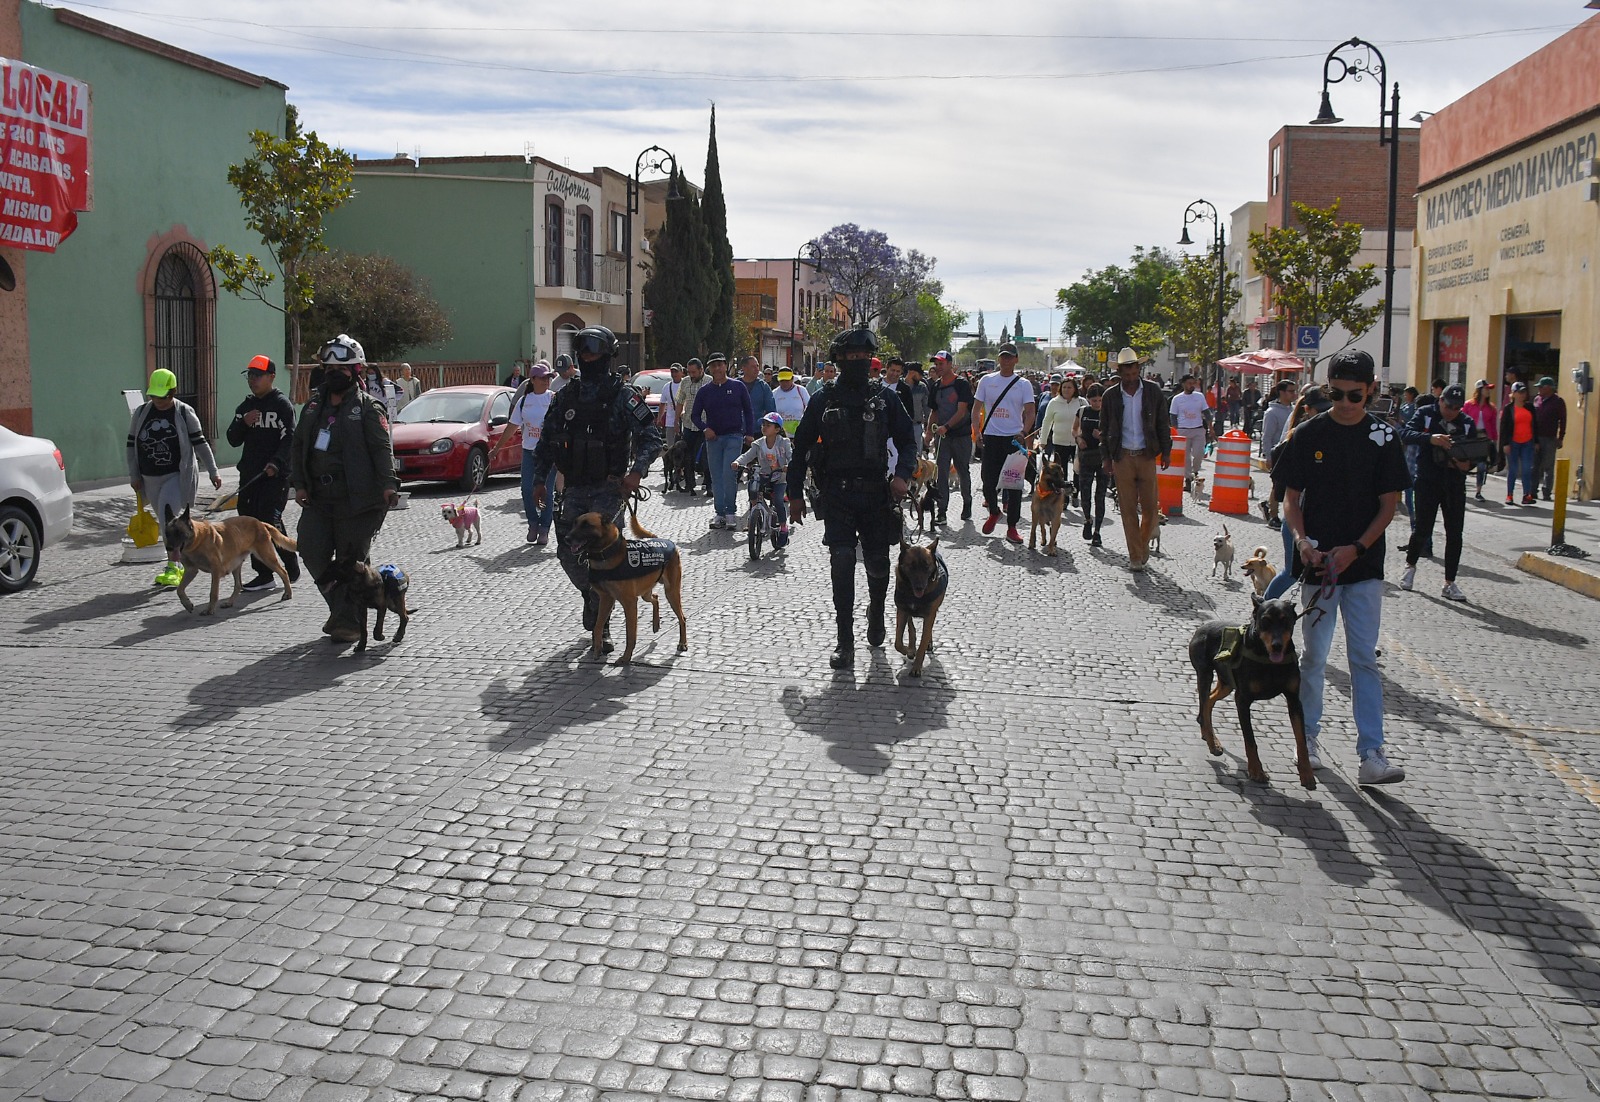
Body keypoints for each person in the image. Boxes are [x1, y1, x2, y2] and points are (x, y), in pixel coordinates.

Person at [1280, 349, 1409, 784]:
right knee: (1314, 656)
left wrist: (1356, 547)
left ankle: (1372, 752)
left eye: (1355, 395)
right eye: (1336, 393)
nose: (1346, 403)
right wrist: (1302, 542)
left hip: (1364, 566)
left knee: (1363, 659)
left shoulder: (1384, 438)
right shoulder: (1309, 434)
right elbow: (1291, 499)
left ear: (1370, 390)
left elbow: (1388, 506)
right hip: (1318, 567)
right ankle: (1308, 739)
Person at [528, 325, 663, 648]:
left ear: (608, 354)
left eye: (594, 349)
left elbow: (651, 438)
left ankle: (602, 627)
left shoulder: (623, 395)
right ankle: (593, 594)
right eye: (583, 349)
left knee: (604, 554)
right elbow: (547, 441)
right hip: (574, 487)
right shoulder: (566, 396)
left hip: (609, 488)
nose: (588, 355)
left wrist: (637, 472)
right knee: (568, 552)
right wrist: (538, 480)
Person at [788, 325, 915, 669]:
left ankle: (876, 612)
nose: (858, 361)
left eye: (864, 356)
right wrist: (793, 494)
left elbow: (908, 440)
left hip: (877, 493)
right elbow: (800, 449)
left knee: (877, 564)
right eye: (851, 357)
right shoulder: (823, 398)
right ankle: (845, 640)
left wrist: (903, 475)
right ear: (839, 360)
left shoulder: (885, 398)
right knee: (842, 562)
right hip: (838, 495)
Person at [289, 334, 401, 644]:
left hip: (359, 502)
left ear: (357, 371)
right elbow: (299, 446)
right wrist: (299, 484)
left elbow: (382, 450)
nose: (333, 374)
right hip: (319, 499)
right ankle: (344, 611)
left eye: (342, 369)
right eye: (328, 368)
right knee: (311, 548)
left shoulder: (368, 407)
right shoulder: (312, 406)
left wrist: (389, 486)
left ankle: (350, 620)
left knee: (351, 564)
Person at [127, 368, 223, 588]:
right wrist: (134, 475)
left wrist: (213, 471)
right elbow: (131, 445)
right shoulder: (141, 413)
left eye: (163, 396)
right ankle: (184, 559)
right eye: (154, 396)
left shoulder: (184, 412)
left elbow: (200, 443)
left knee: (166, 517)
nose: (158, 401)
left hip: (176, 476)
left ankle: (174, 566)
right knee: (164, 520)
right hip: (149, 478)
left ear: (173, 392)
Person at [226, 355, 301, 592]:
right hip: (249, 476)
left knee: (269, 521)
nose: (253, 380)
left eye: (258, 376)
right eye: (250, 375)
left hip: (274, 477)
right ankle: (264, 574)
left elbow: (289, 439)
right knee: (249, 524)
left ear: (271, 377)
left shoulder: (281, 405)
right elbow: (232, 439)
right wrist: (243, 423)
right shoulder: (246, 407)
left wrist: (276, 463)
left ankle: (288, 563)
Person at [1398, 384, 1475, 601]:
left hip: (1454, 483)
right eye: (1448, 405)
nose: (1452, 411)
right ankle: (1410, 566)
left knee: (1455, 533)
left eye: (1457, 408)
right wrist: (1430, 438)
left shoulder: (1466, 422)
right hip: (1428, 480)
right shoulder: (1425, 413)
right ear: (1440, 400)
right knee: (1422, 528)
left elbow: (1480, 450)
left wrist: (1467, 463)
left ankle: (1449, 582)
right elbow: (1404, 433)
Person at [1100, 347, 1171, 571]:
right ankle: (1134, 556)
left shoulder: (1153, 392)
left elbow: (1162, 423)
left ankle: (1141, 546)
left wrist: (1166, 451)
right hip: (1122, 456)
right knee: (1128, 508)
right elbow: (1104, 429)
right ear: (1120, 373)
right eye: (1126, 375)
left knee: (1150, 507)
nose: (1130, 379)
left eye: (1134, 374)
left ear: (1139, 370)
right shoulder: (1110, 396)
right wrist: (1107, 458)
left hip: (1147, 454)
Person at [1261, 388, 1333, 600]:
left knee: (1304, 575)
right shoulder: (1298, 436)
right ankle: (1262, 610)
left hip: (1318, 518)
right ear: (1307, 410)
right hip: (1297, 516)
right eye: (1319, 411)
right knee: (1292, 573)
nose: (1323, 415)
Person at [974, 342, 1036, 544]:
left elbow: (1030, 412)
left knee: (1014, 485)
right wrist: (977, 431)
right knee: (987, 480)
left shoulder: (1023, 384)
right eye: (1003, 356)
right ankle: (994, 510)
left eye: (1010, 356)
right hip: (991, 436)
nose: (1006, 360)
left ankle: (1012, 527)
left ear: (1016, 359)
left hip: (1013, 438)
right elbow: (976, 409)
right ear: (998, 358)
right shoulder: (986, 380)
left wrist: (1023, 432)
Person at [690, 352, 756, 530]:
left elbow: (748, 411)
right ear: (709, 369)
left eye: (720, 365)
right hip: (714, 439)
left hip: (734, 436)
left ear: (726, 366)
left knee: (729, 473)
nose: (717, 368)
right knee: (716, 476)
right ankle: (719, 513)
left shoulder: (738, 386)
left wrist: (749, 434)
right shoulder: (705, 391)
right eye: (713, 366)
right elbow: (694, 415)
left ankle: (731, 512)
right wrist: (705, 428)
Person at [493, 361, 557, 544]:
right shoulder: (524, 401)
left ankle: (545, 527)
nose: (546, 381)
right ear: (533, 379)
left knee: (546, 490)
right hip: (529, 451)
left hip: (549, 453)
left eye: (549, 378)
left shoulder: (553, 398)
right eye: (543, 378)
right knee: (526, 489)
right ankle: (533, 523)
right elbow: (512, 426)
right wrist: (497, 448)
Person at [926, 350, 974, 525]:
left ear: (950, 364)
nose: (938, 367)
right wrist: (929, 432)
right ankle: (942, 511)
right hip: (942, 439)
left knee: (962, 471)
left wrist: (946, 427)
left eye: (941, 364)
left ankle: (967, 502)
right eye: (936, 364)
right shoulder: (936, 386)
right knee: (941, 474)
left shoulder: (961, 384)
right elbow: (934, 411)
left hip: (960, 436)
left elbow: (962, 411)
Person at [733, 412, 792, 534]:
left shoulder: (784, 443)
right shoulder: (758, 444)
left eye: (768, 425)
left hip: (779, 478)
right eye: (763, 424)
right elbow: (747, 455)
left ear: (777, 429)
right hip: (764, 476)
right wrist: (737, 462)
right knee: (753, 488)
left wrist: (789, 466)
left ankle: (783, 526)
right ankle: (754, 514)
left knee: (778, 501)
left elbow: (791, 457)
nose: (764, 427)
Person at [1257, 380, 1297, 528]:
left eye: (1294, 391)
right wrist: (1268, 456)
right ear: (1281, 392)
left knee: (1284, 484)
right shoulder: (1272, 412)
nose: (1294, 394)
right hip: (1277, 452)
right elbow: (1266, 436)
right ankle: (1273, 513)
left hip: (1289, 452)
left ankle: (1267, 505)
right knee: (1277, 484)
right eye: (1291, 391)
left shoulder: (1293, 409)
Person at [1074, 383, 1109, 546]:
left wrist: (1102, 437)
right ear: (1088, 400)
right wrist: (1078, 439)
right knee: (1085, 493)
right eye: (1094, 400)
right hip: (1086, 457)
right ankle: (1087, 519)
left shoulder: (1109, 413)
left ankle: (1098, 531)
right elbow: (1075, 429)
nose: (1097, 404)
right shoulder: (1083, 411)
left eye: (1100, 400)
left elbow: (1117, 435)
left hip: (1103, 458)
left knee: (1100, 496)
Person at [1169, 373, 1211, 492]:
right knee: (1186, 458)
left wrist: (1211, 427)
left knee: (1199, 454)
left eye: (1193, 383)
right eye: (1189, 383)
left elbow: (1206, 412)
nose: (1191, 385)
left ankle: (1195, 471)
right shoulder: (1177, 399)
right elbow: (1173, 416)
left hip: (1198, 429)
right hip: (1183, 430)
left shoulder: (1200, 396)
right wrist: (1175, 431)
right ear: (1183, 384)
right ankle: (1187, 479)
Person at [1500, 382, 1538, 505]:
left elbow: (1535, 425)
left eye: (1524, 392)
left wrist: (1536, 441)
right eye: (1520, 392)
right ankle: (1509, 495)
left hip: (1527, 442)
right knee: (1513, 469)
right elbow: (1504, 428)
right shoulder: (1508, 409)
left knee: (1527, 469)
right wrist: (1505, 443)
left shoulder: (1530, 408)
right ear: (1514, 394)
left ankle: (1527, 495)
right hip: (1513, 443)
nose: (1522, 395)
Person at [1461, 379, 1498, 501]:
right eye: (1486, 388)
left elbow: (1492, 425)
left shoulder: (1491, 408)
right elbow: (1461, 420)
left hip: (1483, 438)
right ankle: (1462, 487)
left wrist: (1493, 440)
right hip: (1470, 437)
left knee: (1482, 465)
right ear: (1479, 390)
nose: (1488, 391)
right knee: (1466, 463)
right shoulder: (1468, 405)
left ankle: (1478, 491)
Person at [1037, 374, 1084, 471]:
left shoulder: (1081, 402)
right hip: (1059, 442)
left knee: (1078, 471)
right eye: (1064, 387)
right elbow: (1047, 422)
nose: (1066, 390)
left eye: (1069, 387)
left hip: (1077, 443)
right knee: (1061, 471)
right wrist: (1043, 441)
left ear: (1075, 389)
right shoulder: (1054, 402)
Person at [1533, 375, 1567, 501]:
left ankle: (1546, 492)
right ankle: (1532, 491)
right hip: (1536, 437)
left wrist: (1561, 437)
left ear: (1549, 388)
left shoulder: (1558, 402)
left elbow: (1563, 420)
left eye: (1541, 387)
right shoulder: (1537, 399)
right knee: (1534, 465)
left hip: (1550, 438)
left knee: (1548, 466)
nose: (1539, 389)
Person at [675, 358, 706, 497]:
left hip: (705, 424)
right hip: (688, 424)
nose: (691, 375)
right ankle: (689, 483)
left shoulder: (710, 381)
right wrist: (676, 421)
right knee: (688, 456)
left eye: (694, 372)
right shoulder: (685, 381)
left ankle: (709, 484)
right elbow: (680, 402)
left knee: (706, 456)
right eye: (689, 372)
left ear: (701, 370)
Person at [772, 367, 810, 434]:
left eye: (787, 380)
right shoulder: (774, 393)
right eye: (782, 380)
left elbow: (810, 409)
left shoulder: (801, 390)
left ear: (792, 379)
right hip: (781, 434)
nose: (784, 383)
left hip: (800, 432)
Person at [740, 355, 776, 424]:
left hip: (758, 430)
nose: (757, 369)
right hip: (737, 430)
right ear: (744, 368)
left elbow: (771, 411)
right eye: (753, 367)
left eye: (757, 366)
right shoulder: (736, 385)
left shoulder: (764, 387)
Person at [658, 363, 683, 453]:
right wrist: (659, 418)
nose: (674, 374)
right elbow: (662, 404)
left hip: (684, 421)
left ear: (681, 372)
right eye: (672, 372)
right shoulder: (667, 387)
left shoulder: (685, 384)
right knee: (671, 447)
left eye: (676, 371)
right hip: (670, 421)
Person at [902, 362, 931, 426]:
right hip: (901, 425)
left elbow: (927, 406)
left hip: (917, 425)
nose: (921, 377)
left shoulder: (922, 387)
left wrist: (929, 423)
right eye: (920, 374)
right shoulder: (900, 385)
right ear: (912, 372)